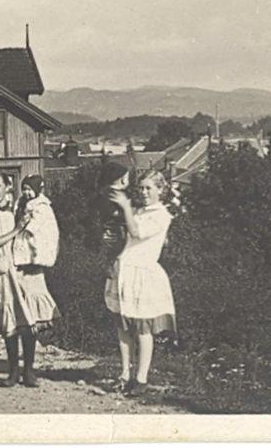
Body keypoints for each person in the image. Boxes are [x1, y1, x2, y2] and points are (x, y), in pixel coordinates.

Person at [0, 172, 59, 389]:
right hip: (4, 271)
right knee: (11, 321)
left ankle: (29, 370)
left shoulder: (21, 206)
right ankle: (13, 370)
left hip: (26, 269)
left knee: (29, 319)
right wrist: (16, 229)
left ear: (8, 187)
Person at [104, 170, 176, 396]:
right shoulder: (141, 211)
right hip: (125, 269)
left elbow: (136, 232)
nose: (144, 193)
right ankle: (125, 373)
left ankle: (141, 378)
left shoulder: (161, 215)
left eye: (149, 188)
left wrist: (126, 208)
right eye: (142, 188)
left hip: (143, 274)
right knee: (123, 326)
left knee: (143, 328)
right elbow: (127, 237)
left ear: (160, 191)